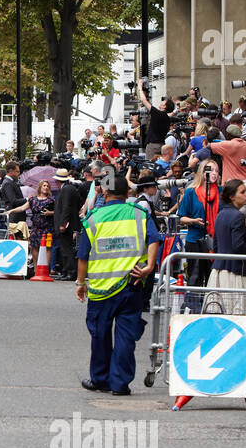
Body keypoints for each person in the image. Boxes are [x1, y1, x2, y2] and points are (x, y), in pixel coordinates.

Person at [76, 169, 162, 396]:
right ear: (127, 193)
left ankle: (101, 379)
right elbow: (154, 239)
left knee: (100, 335)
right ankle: (120, 384)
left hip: (100, 289)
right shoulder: (139, 214)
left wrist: (80, 283)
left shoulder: (93, 218)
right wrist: (149, 266)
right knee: (125, 336)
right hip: (131, 283)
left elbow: (83, 256)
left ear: (104, 191)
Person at [204, 179, 246, 314]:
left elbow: (215, 245)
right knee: (236, 315)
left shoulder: (221, 214)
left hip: (218, 272)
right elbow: (238, 246)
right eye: (242, 192)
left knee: (218, 314)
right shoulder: (238, 216)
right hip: (234, 273)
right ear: (232, 196)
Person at [176, 160, 220, 290]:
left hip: (215, 240)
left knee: (212, 277)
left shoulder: (221, 192)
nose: (214, 173)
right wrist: (194, 221)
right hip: (195, 240)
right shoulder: (191, 192)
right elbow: (181, 217)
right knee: (195, 277)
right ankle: (193, 305)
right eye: (211, 170)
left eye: (217, 171)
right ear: (203, 172)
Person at [52, 169, 82, 281]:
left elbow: (66, 207)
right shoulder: (69, 188)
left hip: (66, 224)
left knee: (67, 248)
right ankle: (66, 271)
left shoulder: (66, 190)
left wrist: (63, 223)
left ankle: (70, 271)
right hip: (68, 223)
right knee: (65, 248)